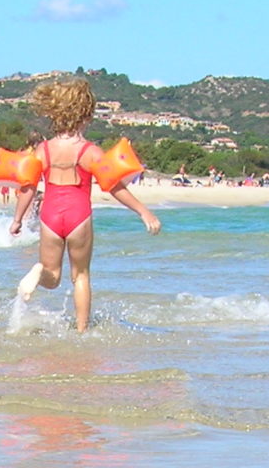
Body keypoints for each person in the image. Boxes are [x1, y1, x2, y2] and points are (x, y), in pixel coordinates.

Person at [8, 78, 160, 332]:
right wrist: (143, 211)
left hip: (50, 216)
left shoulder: (42, 151)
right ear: (86, 114)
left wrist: (17, 220)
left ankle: (37, 272)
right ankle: (82, 331)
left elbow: (28, 187)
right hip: (78, 216)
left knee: (51, 276)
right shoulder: (90, 152)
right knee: (80, 275)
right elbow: (113, 186)